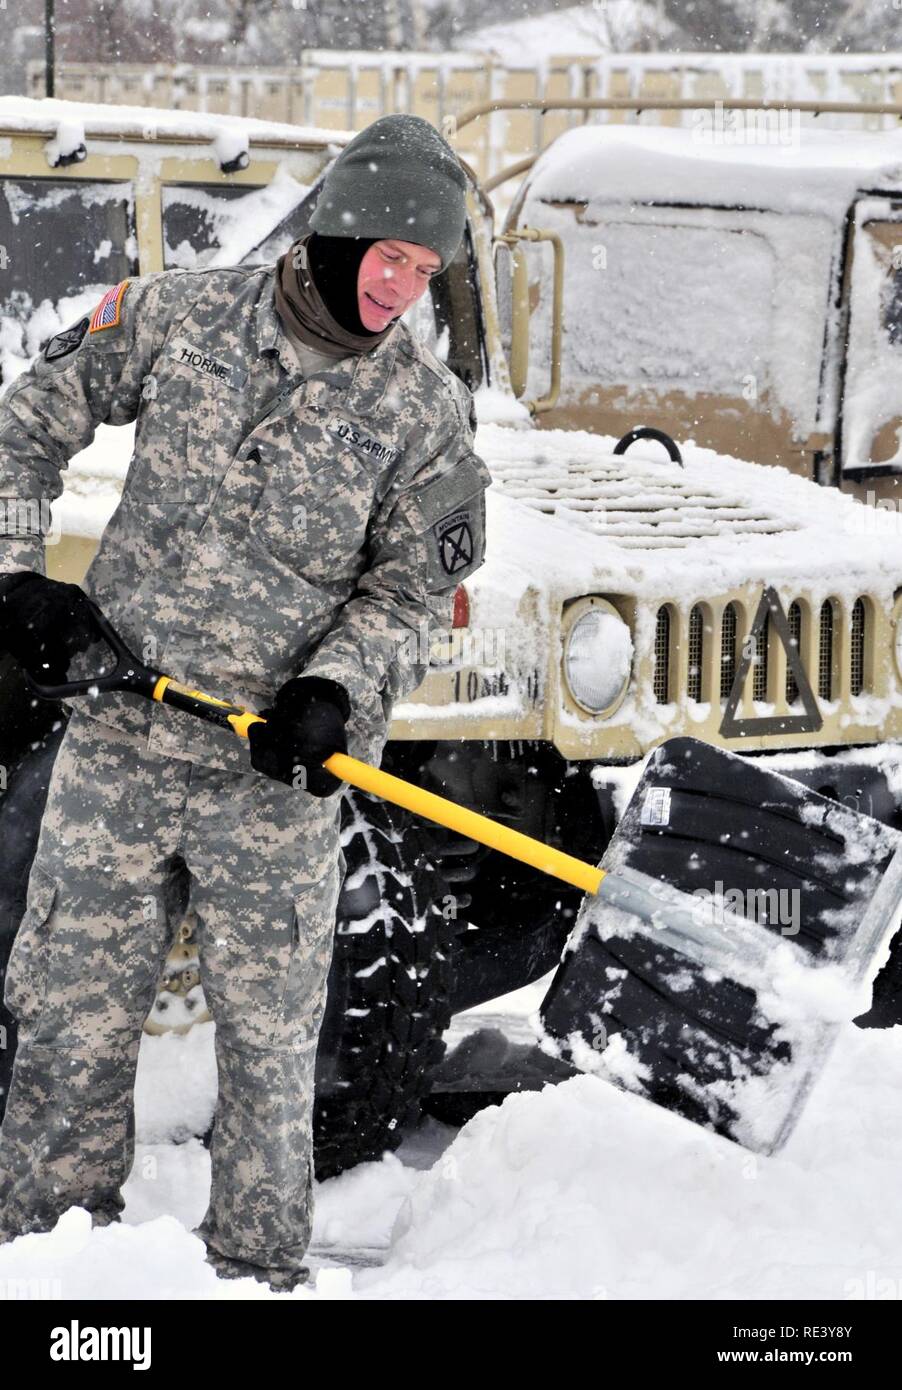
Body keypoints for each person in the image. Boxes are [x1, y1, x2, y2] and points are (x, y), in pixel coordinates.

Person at [0, 113, 491, 1290]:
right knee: (68, 1038)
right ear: (332, 226)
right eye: (387, 254)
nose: (399, 288)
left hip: (269, 784)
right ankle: (53, 1278)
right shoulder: (181, 318)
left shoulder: (421, 416)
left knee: (273, 1066)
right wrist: (17, 577)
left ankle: (256, 1281)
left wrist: (338, 687)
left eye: (424, 272)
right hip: (120, 741)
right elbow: (26, 422)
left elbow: (412, 590)